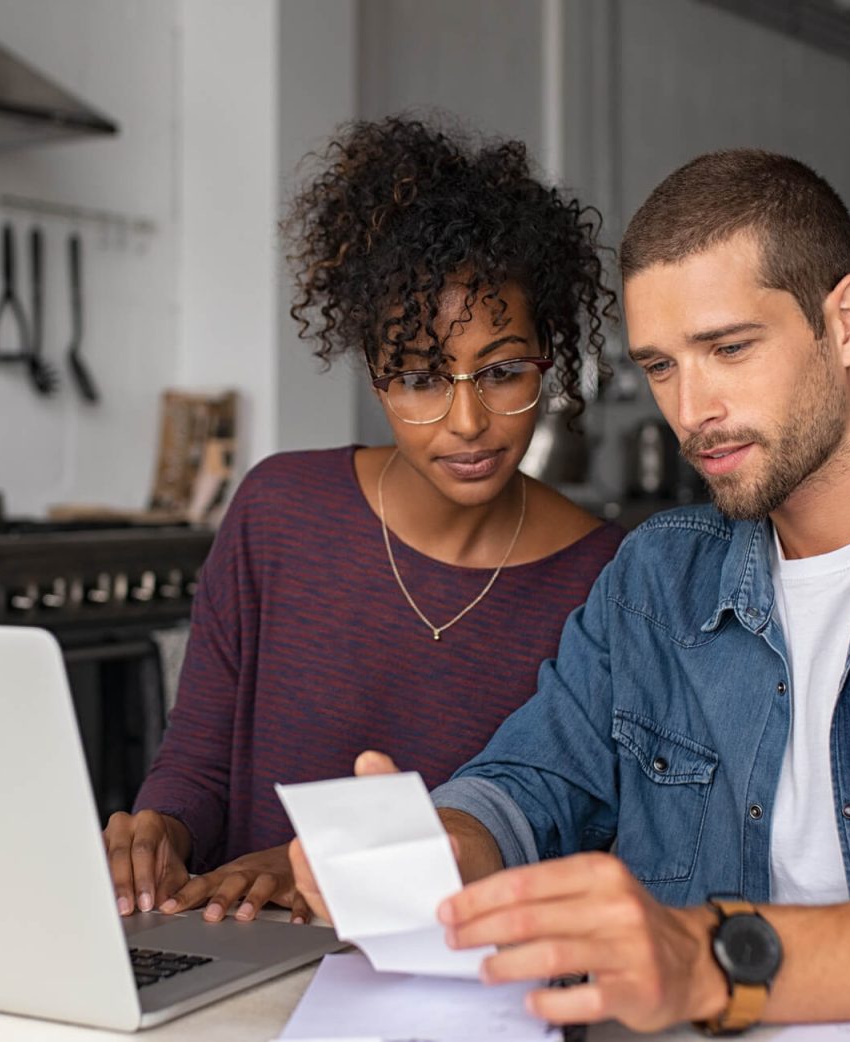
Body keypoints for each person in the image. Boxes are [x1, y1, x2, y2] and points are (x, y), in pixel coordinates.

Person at [290, 149, 850, 1032]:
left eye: (728, 348)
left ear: (848, 323)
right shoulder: (654, 578)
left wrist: (716, 961)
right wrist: (443, 846)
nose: (692, 411)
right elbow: (531, 782)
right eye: (662, 366)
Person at [103, 117, 624, 926]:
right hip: (245, 951)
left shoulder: (608, 579)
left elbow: (570, 836)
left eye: (502, 372)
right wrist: (159, 832)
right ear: (375, 375)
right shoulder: (278, 511)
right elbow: (199, 765)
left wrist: (320, 872)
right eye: (419, 378)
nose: (467, 423)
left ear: (548, 361)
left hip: (457, 978)